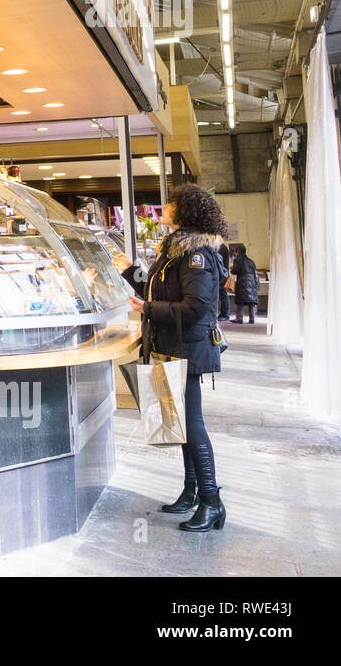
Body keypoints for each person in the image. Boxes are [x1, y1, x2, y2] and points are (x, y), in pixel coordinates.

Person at [112, 183, 229, 533]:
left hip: (188, 349)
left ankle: (211, 501)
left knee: (192, 424)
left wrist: (147, 308)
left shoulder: (197, 255)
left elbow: (196, 307)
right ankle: (191, 491)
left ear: (185, 211)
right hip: (172, 346)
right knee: (178, 424)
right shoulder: (176, 250)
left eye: (171, 203)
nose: (164, 206)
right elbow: (159, 288)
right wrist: (130, 271)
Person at [230, 244, 260, 324]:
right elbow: (255, 273)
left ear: (238, 252)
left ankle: (239, 318)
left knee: (240, 301)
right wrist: (257, 285)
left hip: (242, 282)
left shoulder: (237, 260)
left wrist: (232, 269)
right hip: (252, 282)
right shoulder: (251, 261)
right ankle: (252, 319)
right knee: (251, 302)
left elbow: (234, 271)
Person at [216, 242, 231, 321]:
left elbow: (219, 263)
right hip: (223, 274)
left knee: (223, 295)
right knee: (223, 295)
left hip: (221, 275)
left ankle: (225, 314)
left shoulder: (220, 248)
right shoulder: (223, 247)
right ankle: (225, 314)